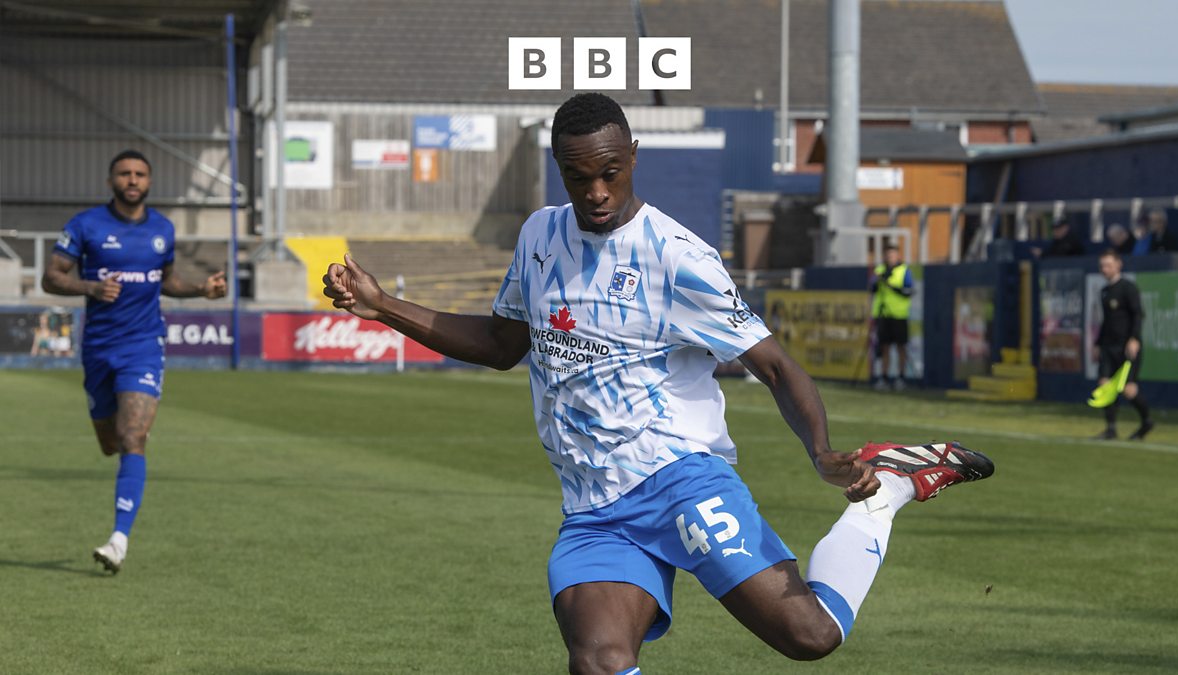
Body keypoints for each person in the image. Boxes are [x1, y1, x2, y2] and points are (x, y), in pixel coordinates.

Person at [323, 93, 994, 673]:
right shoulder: (538, 237)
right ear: (559, 168)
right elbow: (503, 346)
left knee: (809, 636)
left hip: (680, 478)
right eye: (579, 176)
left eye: (610, 172)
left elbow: (777, 365)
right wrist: (383, 306)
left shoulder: (678, 258)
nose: (596, 192)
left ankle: (889, 493)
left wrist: (820, 451)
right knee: (598, 658)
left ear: (634, 156)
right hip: (593, 507)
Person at [41, 149, 227, 573]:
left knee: (133, 437)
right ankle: (120, 515)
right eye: (124, 173)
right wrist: (90, 287)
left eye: (140, 174)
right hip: (98, 348)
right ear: (111, 181)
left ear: (149, 181)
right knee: (110, 443)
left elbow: (168, 281)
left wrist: (201, 289)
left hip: (144, 344)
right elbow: (51, 276)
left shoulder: (162, 229)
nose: (132, 179)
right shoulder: (85, 225)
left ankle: (118, 539)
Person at [1093, 249, 1152, 440]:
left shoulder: (1128, 288)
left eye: (1108, 265)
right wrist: (1097, 343)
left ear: (1119, 265)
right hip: (1108, 346)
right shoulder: (1104, 291)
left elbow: (1137, 315)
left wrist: (1134, 339)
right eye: (1102, 265)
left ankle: (1146, 422)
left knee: (1129, 390)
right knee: (1105, 385)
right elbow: (1107, 321)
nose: (1104, 269)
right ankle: (1111, 428)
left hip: (1127, 347)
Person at [868, 244, 914, 390]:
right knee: (884, 347)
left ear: (897, 256)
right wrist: (878, 280)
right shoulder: (880, 270)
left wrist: (891, 286)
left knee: (901, 347)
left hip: (899, 315)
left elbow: (909, 291)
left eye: (892, 255)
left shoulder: (904, 270)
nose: (890, 258)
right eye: (887, 255)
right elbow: (872, 288)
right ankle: (884, 377)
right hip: (883, 314)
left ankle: (901, 378)